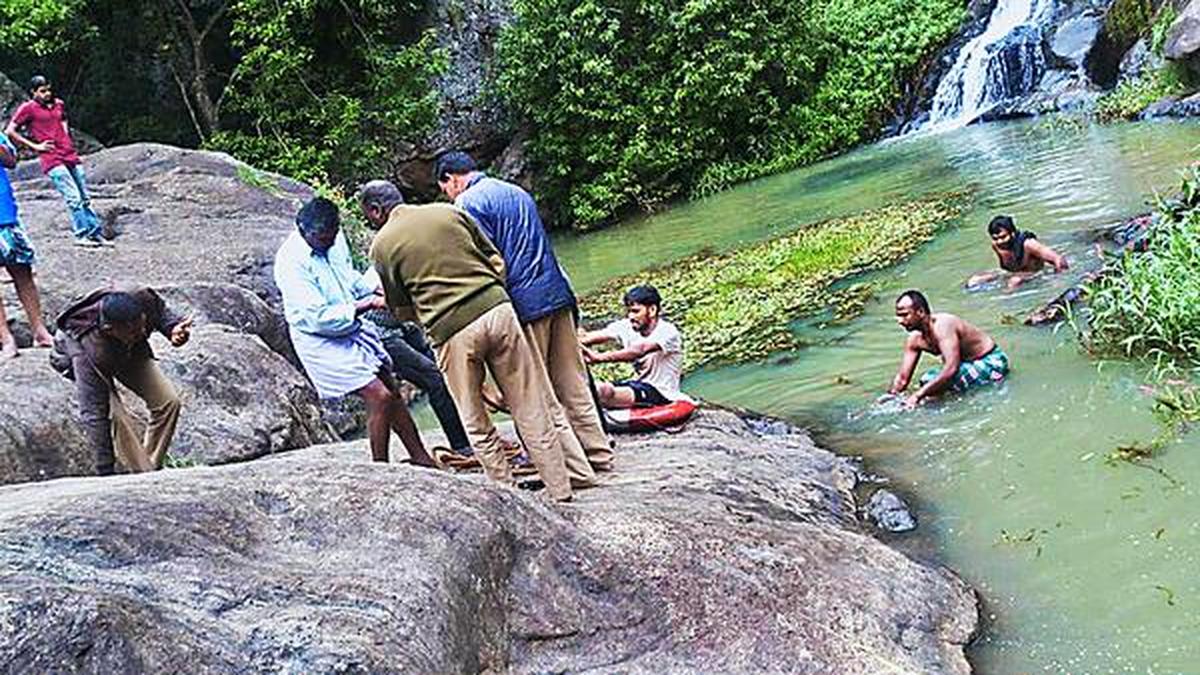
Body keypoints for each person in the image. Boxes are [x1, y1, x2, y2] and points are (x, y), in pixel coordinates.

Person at [360, 179, 591, 502]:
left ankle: (508, 496)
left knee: (475, 419)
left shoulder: (381, 245)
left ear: (375, 211)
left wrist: (427, 312)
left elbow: (399, 308)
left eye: (369, 216)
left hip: (451, 330)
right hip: (498, 310)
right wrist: (487, 292)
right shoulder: (448, 211)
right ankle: (561, 490)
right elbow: (494, 258)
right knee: (530, 405)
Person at [434, 151, 613, 472]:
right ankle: (599, 454)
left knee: (539, 392)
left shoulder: (467, 204)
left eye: (444, 188)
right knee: (574, 382)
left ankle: (572, 468)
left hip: (525, 303)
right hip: (558, 292)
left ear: (451, 179)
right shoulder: (515, 191)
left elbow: (486, 261)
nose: (447, 195)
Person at [273, 196, 434, 467]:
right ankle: (378, 468)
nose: (329, 242)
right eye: (322, 239)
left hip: (349, 324)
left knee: (390, 386)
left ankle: (421, 457)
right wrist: (368, 303)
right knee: (379, 396)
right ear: (304, 231)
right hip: (319, 336)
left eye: (332, 236)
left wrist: (375, 289)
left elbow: (348, 278)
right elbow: (318, 318)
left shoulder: (334, 240)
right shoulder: (291, 262)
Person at [51, 287, 190, 475]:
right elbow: (94, 413)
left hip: (130, 351)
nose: (142, 332)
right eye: (134, 331)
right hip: (88, 359)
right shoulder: (88, 350)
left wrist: (172, 327)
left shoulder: (140, 298)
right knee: (116, 417)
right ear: (110, 330)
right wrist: (105, 468)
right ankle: (143, 474)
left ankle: (150, 467)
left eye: (143, 325)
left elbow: (159, 311)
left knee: (168, 402)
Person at [360, 267, 474, 458]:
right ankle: (461, 445)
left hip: (405, 325)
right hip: (381, 333)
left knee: (445, 369)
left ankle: (470, 434)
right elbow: (387, 296)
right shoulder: (380, 268)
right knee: (433, 378)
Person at [5, 75, 105, 246]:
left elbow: (63, 118)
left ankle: (94, 232)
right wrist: (35, 146)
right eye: (42, 91)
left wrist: (65, 135)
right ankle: (81, 235)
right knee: (73, 198)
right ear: (33, 92)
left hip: (69, 153)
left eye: (48, 90)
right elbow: (10, 131)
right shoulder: (28, 108)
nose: (47, 94)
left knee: (84, 196)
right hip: (51, 157)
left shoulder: (58, 103)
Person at [886, 290, 1009, 409]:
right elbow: (902, 379)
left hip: (991, 361)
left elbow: (951, 369)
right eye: (898, 316)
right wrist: (889, 399)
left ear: (921, 312)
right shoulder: (915, 339)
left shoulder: (943, 326)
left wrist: (917, 395)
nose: (900, 321)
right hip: (965, 365)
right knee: (927, 381)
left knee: (931, 389)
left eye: (905, 315)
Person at [579, 285, 686, 409]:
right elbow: (591, 337)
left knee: (603, 391)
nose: (631, 316)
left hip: (662, 393)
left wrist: (599, 358)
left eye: (635, 311)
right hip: (638, 384)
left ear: (652, 310)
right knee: (593, 388)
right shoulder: (626, 326)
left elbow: (640, 350)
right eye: (629, 311)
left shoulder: (668, 332)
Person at [0, 124, 53, 358]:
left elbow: (11, 161)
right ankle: (6, 340)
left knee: (23, 273)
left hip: (5, 214)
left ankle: (40, 332)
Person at [967, 215, 1068, 289]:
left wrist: (1059, 282)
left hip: (1035, 274)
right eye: (995, 238)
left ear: (1013, 233)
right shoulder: (997, 246)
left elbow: (1058, 259)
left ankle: (1005, 307)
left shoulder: (1029, 244)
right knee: (974, 281)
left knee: (1014, 281)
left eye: (1003, 237)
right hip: (1011, 274)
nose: (999, 242)